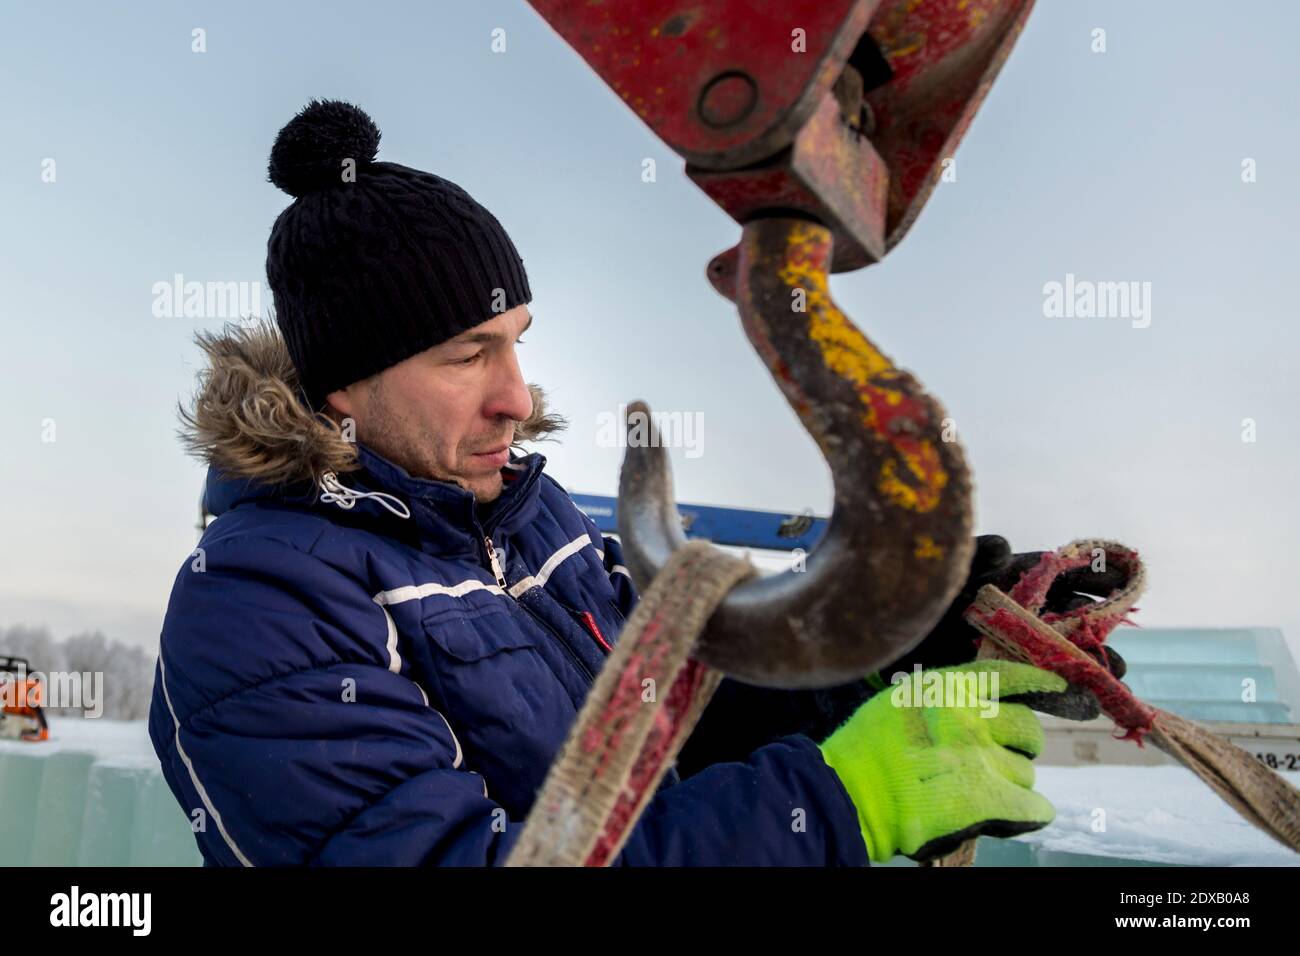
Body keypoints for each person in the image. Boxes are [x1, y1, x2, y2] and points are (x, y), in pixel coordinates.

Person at [149, 100, 1115, 867]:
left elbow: (673, 719)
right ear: (342, 387)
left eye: (518, 344)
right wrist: (839, 806)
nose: (516, 399)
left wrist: (873, 652)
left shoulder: (538, 523)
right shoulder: (256, 607)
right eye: (465, 355)